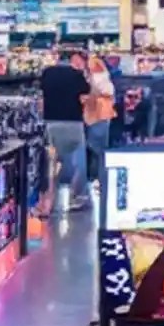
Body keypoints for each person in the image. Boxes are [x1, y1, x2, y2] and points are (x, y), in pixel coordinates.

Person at [39, 53, 91, 211]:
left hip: (50, 122)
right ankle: (77, 197)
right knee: (79, 163)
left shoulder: (47, 73)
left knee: (50, 164)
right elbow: (86, 92)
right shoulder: (77, 75)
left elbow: (41, 92)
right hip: (73, 122)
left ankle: (48, 200)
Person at [83, 55, 116, 183]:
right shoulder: (97, 77)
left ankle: (96, 178)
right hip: (92, 116)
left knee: (97, 150)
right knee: (93, 150)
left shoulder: (100, 78)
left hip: (99, 116)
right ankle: (94, 178)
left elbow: (105, 91)